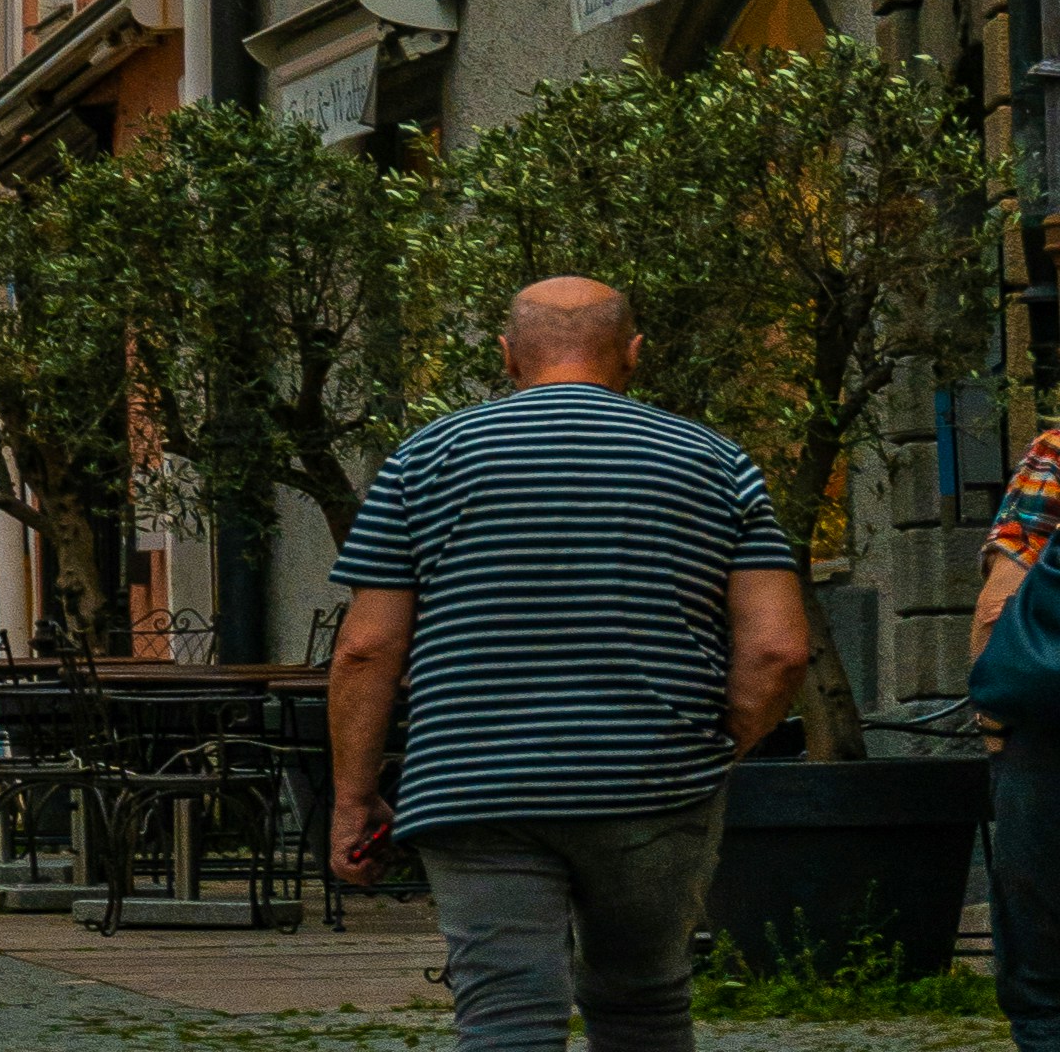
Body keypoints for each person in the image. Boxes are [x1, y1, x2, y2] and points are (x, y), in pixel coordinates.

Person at [322, 273, 813, 1051]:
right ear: (634, 353)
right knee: (645, 1006)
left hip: (475, 783)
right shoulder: (715, 462)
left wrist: (354, 797)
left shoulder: (423, 460)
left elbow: (366, 648)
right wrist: (711, 748)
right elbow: (778, 649)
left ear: (507, 355)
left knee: (504, 1018)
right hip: (653, 782)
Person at [961, 406, 1060, 1040]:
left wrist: (995, 715)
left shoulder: (1058, 451)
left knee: (1044, 960)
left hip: (1047, 727)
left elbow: (1001, 599)